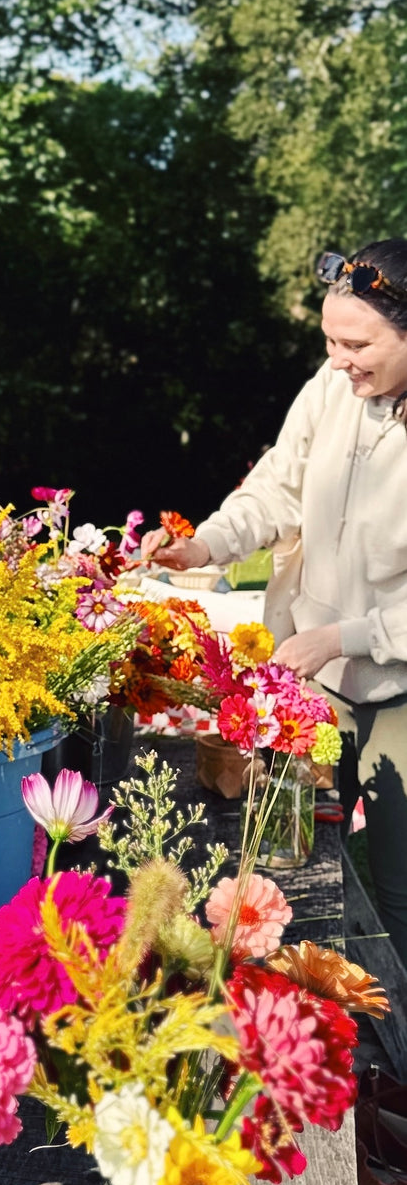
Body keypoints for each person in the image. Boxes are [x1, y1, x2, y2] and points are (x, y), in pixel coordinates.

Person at [143, 238, 407, 964]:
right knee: (296, 857)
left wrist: (342, 637)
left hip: (396, 689)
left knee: (397, 883)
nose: (339, 360)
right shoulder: (332, 385)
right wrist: (204, 545)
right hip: (316, 681)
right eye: (329, 341)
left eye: (358, 345)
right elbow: (275, 488)